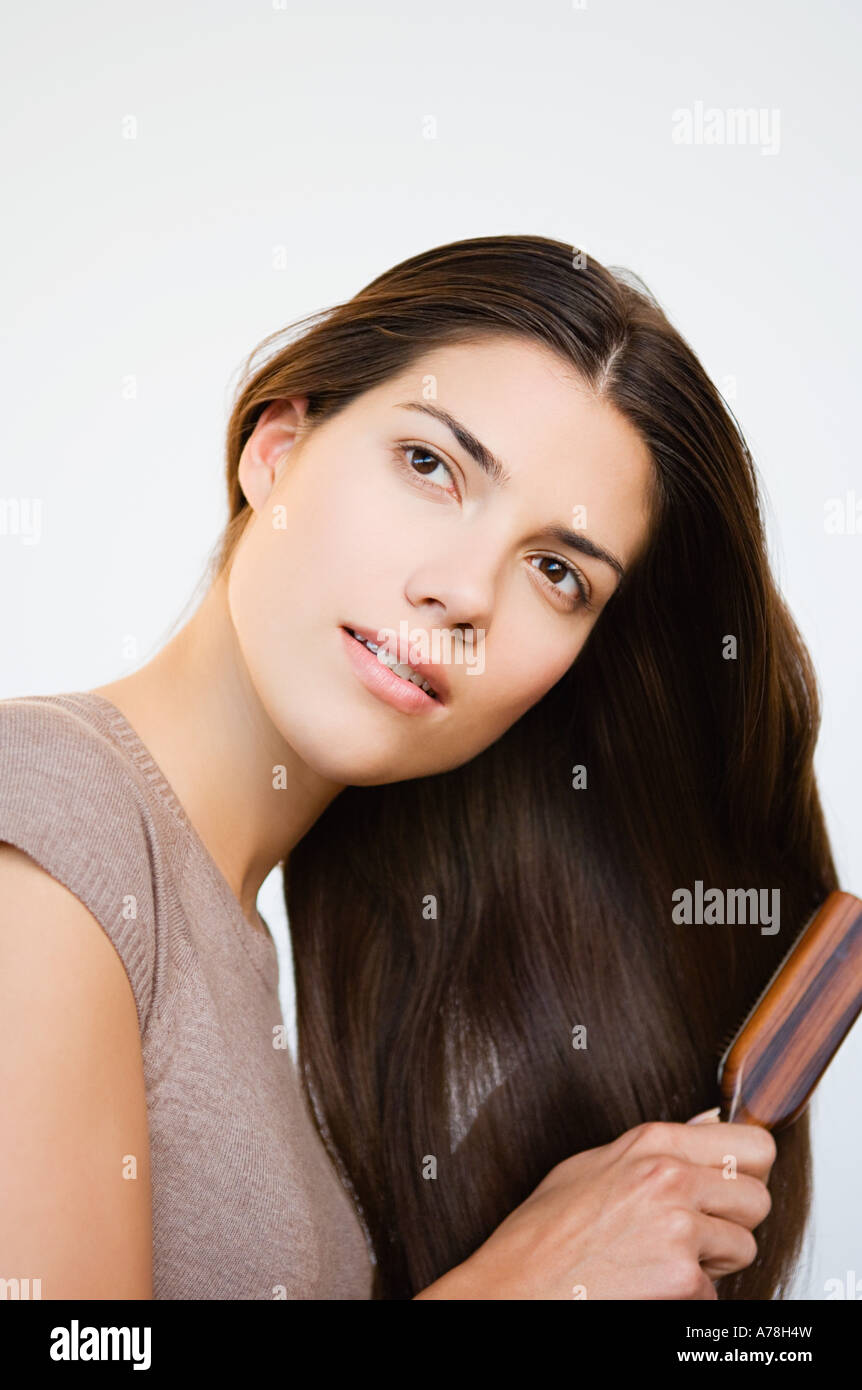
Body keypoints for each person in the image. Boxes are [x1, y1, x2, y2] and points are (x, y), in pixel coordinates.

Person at [0, 235, 832, 1299]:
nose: (464, 591)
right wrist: (513, 1285)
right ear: (278, 445)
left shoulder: (249, 952)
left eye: (555, 572)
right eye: (431, 465)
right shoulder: (52, 818)